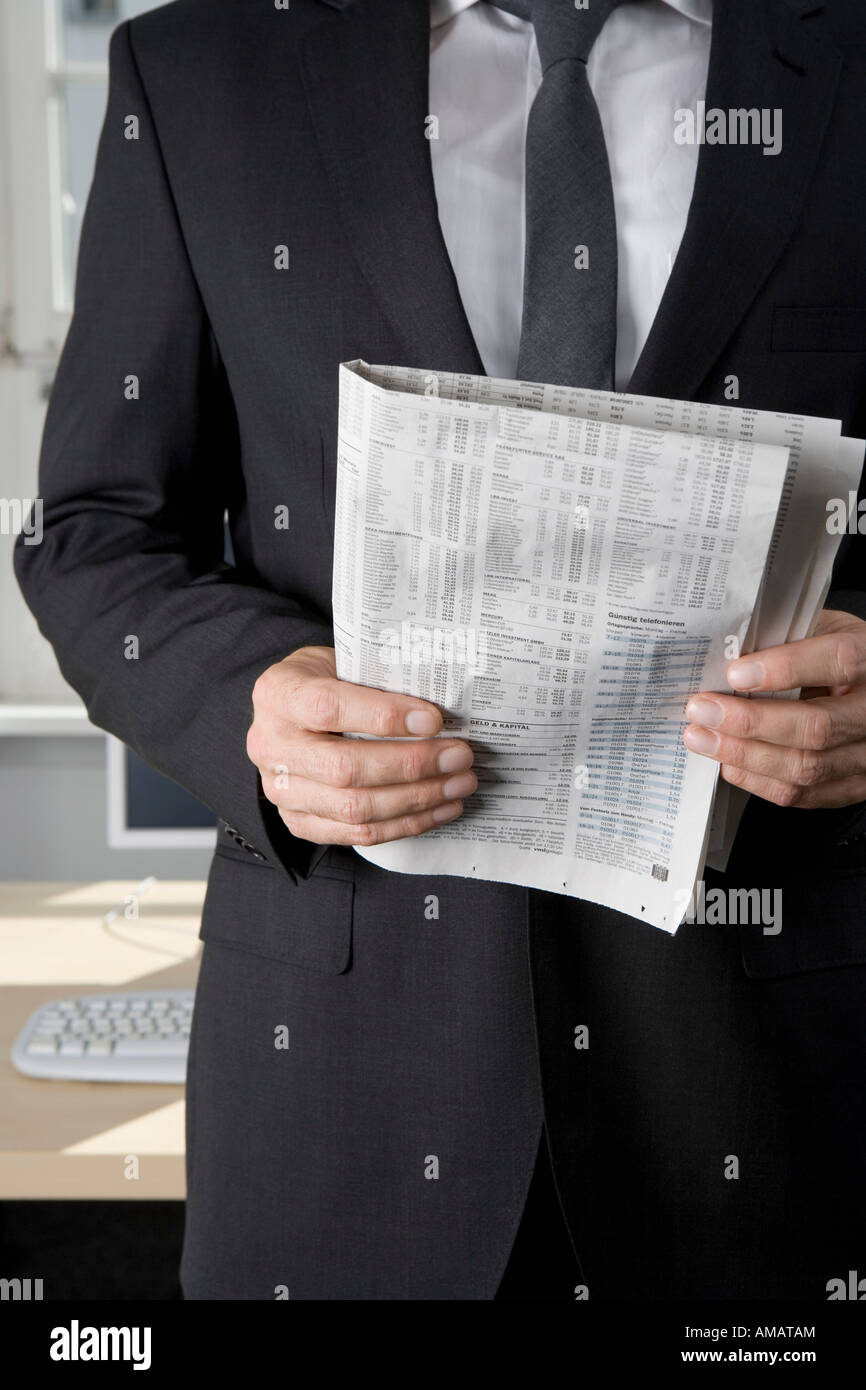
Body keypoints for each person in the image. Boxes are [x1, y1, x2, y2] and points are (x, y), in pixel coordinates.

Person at [15, 0, 866, 1300]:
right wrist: (254, 697)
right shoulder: (201, 70)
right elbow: (96, 530)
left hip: (782, 1101)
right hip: (341, 1090)